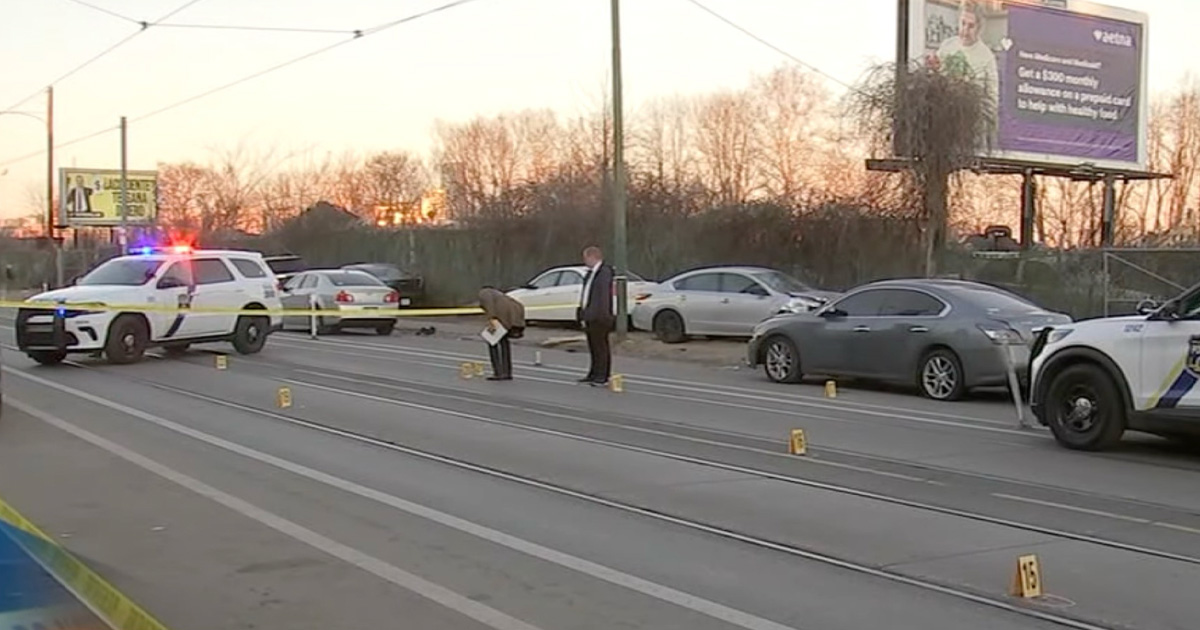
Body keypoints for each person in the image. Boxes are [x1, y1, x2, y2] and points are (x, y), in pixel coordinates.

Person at [926, 0, 999, 149]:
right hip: (944, 123)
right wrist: (934, 69)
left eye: (971, 26)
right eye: (963, 23)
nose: (965, 30)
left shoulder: (986, 56)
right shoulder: (947, 46)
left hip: (970, 127)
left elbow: (992, 98)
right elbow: (936, 82)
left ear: (979, 28)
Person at [576, 245, 615, 386]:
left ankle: (602, 375)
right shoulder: (591, 274)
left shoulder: (603, 273)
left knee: (601, 347)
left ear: (593, 257)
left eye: (586, 258)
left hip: (600, 316)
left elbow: (603, 297)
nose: (585, 261)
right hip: (590, 315)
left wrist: (599, 315)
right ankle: (593, 373)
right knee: (593, 346)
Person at [478, 286, 525, 381]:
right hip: (512, 316)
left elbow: (489, 305)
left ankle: (498, 372)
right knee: (504, 343)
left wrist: (492, 318)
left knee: (492, 342)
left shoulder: (484, 292)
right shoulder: (500, 294)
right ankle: (507, 372)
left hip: (501, 318)